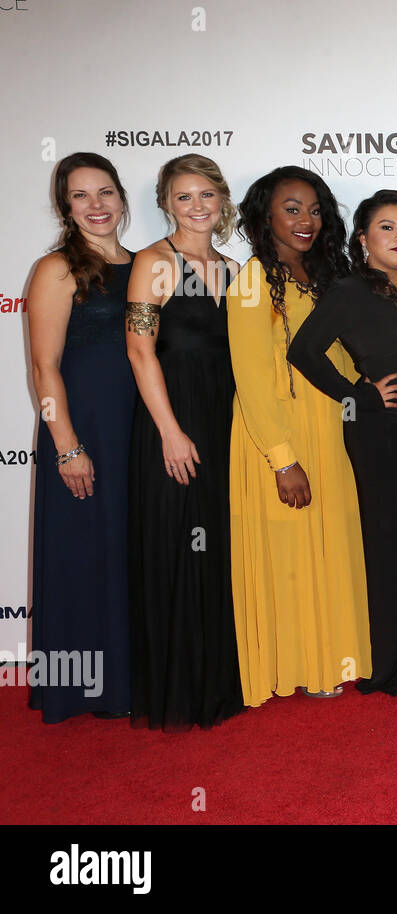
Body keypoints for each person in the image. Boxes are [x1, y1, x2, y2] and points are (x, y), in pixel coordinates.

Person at [289, 190, 397, 695]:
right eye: (387, 228)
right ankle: (395, 657)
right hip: (388, 435)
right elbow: (304, 352)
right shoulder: (349, 291)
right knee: (394, 547)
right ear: (363, 239)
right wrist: (356, 395)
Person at [226, 166, 370, 705]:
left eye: (313, 209)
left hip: (331, 427)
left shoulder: (327, 276)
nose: (305, 220)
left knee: (327, 543)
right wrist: (282, 459)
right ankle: (294, 663)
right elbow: (253, 379)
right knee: (289, 550)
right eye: (291, 209)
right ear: (266, 216)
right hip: (278, 434)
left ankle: (330, 656)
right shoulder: (252, 281)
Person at [125, 154, 244, 730]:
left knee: (216, 546)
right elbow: (139, 351)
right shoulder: (154, 263)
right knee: (179, 546)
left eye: (206, 195)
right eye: (183, 197)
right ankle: (179, 690)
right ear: (166, 205)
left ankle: (217, 681)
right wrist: (170, 432)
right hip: (173, 422)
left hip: (224, 421)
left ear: (222, 201)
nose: (197, 207)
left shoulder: (232, 266)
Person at [26, 152, 134, 723]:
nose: (96, 206)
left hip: (136, 430)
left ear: (121, 197)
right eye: (80, 196)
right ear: (65, 207)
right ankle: (79, 688)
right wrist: (67, 446)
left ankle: (129, 679)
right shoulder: (56, 269)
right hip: (82, 429)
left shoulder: (146, 264)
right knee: (82, 552)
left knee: (127, 550)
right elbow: (44, 368)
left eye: (106, 192)